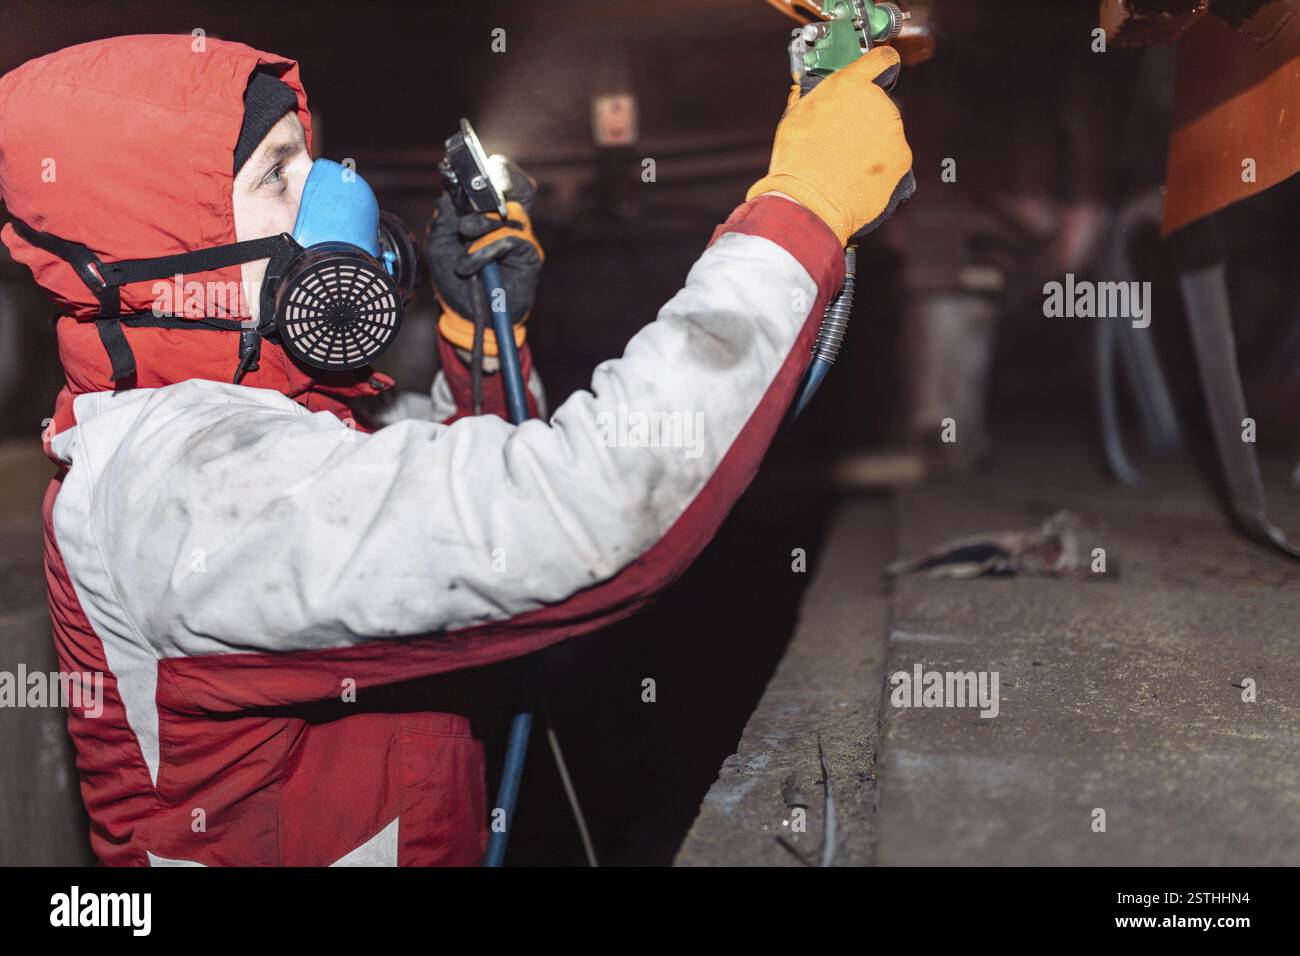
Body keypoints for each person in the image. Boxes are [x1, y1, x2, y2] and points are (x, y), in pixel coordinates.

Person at [0, 33, 912, 865]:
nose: (331, 201)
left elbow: (462, 522)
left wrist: (482, 349)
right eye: (278, 177)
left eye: (311, 160)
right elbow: (584, 513)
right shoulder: (183, 492)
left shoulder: (269, 410)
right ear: (164, 250)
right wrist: (800, 213)